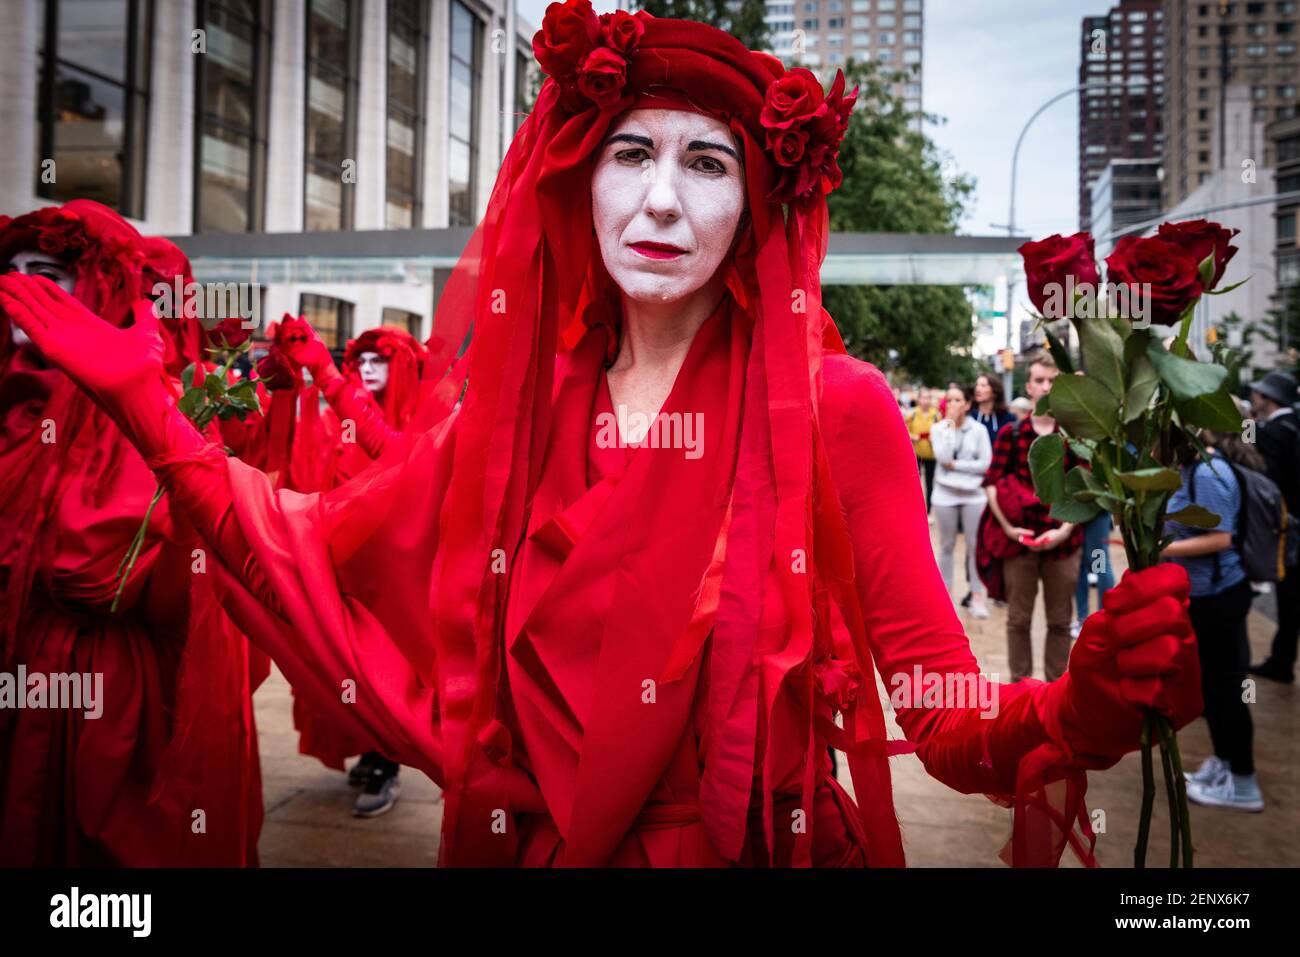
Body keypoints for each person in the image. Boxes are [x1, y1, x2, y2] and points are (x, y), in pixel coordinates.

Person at [0, 4, 1202, 868]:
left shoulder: (835, 409)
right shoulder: (512, 418)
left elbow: (937, 708)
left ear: (760, 204)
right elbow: (297, 557)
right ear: (580, 181)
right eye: (630, 152)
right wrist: (145, 404)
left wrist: (1074, 710)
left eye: (707, 161)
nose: (663, 198)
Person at [0, 201, 263, 866]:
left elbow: (167, 594)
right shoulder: (16, 400)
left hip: (102, 685)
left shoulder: (158, 411)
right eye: (13, 274)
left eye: (48, 274)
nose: (21, 292)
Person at [268, 320, 428, 817]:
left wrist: (327, 377)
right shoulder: (343, 421)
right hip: (344, 564)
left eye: (380, 360)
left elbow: (395, 457)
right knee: (345, 662)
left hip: (393, 572)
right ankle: (370, 750)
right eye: (362, 360)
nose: (367, 368)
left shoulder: (422, 417)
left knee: (389, 664)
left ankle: (386, 763)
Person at [1165, 432, 1264, 812]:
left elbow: (1221, 538)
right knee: (1214, 690)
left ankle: (1243, 783)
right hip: (1204, 599)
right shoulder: (1189, 469)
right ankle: (1224, 764)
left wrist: (1164, 548)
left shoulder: (1208, 473)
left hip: (1221, 599)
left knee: (1229, 692)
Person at [983, 356, 1084, 683]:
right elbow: (992, 485)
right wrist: (1010, 529)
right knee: (1018, 620)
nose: (1045, 387)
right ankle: (1021, 690)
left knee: (1059, 621)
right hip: (1020, 543)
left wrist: (1065, 529)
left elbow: (1084, 486)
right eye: (1039, 381)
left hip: (1062, 543)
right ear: (1029, 386)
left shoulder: (1073, 437)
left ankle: (1056, 693)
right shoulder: (1012, 435)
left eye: (1052, 381)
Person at [1247, 371, 1299, 684]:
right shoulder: (1295, 424)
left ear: (1269, 398)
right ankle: (1282, 658)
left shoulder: (1272, 432)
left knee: (1289, 595)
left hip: (1286, 523)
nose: (1254, 397)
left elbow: (1264, 476)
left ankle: (1281, 661)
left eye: (1258, 394)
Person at [930, 384, 992, 619]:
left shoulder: (979, 431)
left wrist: (957, 467)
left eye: (958, 400)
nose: (953, 405)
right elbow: (943, 457)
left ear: (967, 404)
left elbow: (985, 464)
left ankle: (977, 595)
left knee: (975, 545)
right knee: (946, 546)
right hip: (945, 494)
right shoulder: (939, 429)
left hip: (973, 495)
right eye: (950, 400)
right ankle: (946, 597)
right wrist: (950, 426)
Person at [1072, 513, 1115, 639]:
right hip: (1074, 512)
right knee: (1079, 564)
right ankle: (1082, 619)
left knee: (1099, 565)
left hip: (1096, 511)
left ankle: (1104, 620)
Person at [906, 387, 940, 519]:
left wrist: (935, 437)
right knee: (915, 484)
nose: (926, 400)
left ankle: (929, 512)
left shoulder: (937, 415)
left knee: (930, 483)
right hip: (916, 455)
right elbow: (903, 429)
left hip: (931, 455)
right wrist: (912, 436)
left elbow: (943, 432)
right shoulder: (912, 414)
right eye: (923, 397)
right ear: (919, 399)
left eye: (928, 398)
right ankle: (915, 511)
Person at [971, 373, 1015, 451]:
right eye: (977, 385)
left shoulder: (1008, 418)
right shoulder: (970, 416)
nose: (978, 389)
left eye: (983, 386)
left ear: (995, 392)